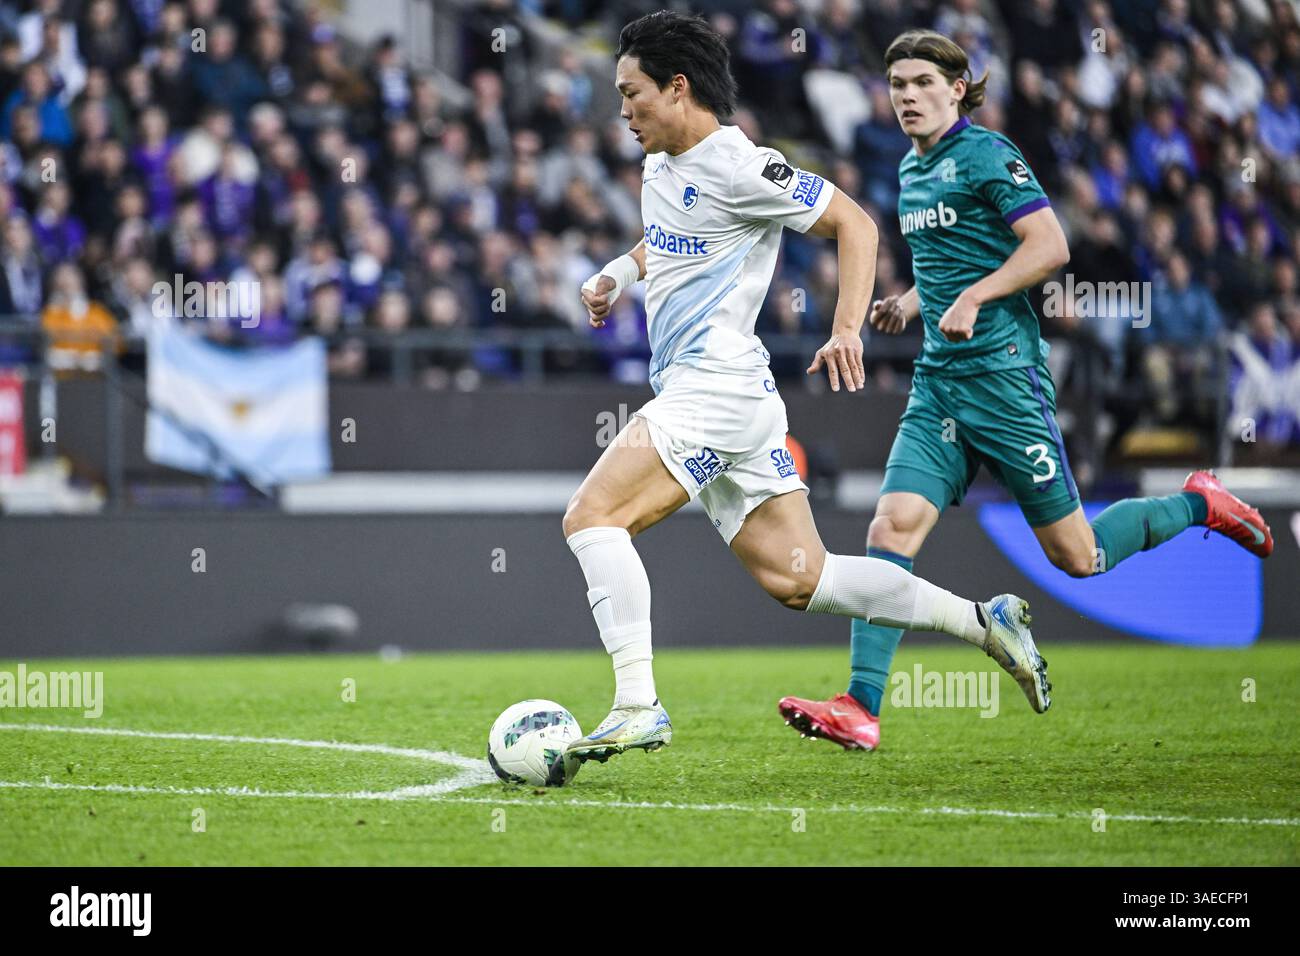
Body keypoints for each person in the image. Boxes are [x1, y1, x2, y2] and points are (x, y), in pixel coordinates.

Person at [562, 13, 1051, 765]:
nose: (621, 110)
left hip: (714, 389)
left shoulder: (742, 166)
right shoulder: (660, 163)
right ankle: (985, 621)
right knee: (803, 579)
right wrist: (618, 275)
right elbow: (663, 241)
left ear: (678, 88)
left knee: (593, 517)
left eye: (632, 93)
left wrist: (847, 327)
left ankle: (637, 705)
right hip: (732, 400)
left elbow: (856, 224)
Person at [778, 30, 1274, 753]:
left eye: (922, 82)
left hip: (1006, 382)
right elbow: (955, 260)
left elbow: (1050, 247)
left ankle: (1202, 502)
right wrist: (912, 303)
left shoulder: (986, 153)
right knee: (890, 531)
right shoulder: (913, 174)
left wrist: (978, 296)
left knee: (1077, 556)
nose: (907, 96)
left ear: (957, 88)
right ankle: (862, 705)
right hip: (940, 386)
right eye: (897, 85)